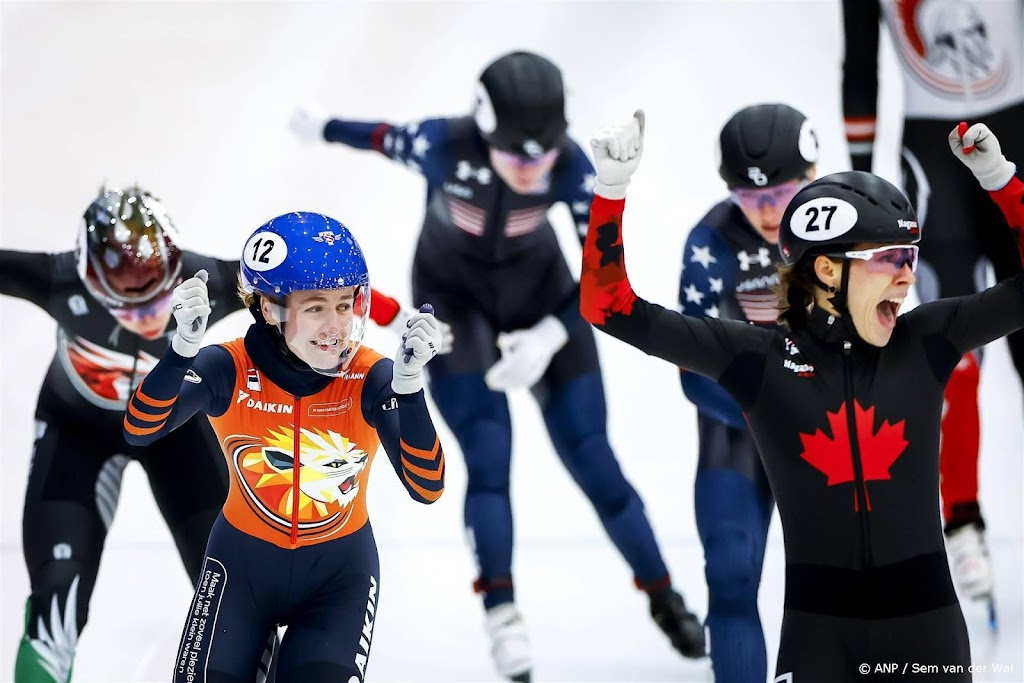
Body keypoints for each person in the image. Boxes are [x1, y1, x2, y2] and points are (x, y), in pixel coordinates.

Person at [288, 50, 705, 680]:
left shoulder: (572, 166)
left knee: (595, 459)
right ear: (483, 130)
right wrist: (323, 127)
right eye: (516, 156)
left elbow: (604, 280)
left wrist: (552, 333)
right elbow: (380, 136)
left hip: (545, 298)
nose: (532, 169)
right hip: (454, 309)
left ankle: (663, 594)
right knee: (488, 455)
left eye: (544, 156)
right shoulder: (440, 144)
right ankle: (502, 613)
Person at [581, 111, 1022, 680]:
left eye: (910, 257)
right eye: (889, 259)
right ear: (829, 272)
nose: (907, 277)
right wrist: (611, 191)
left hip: (926, 634)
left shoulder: (929, 340)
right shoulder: (757, 359)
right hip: (818, 639)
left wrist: (1000, 180)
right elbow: (608, 306)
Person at [122, 211, 446, 682]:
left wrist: (410, 391)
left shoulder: (371, 376)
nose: (335, 325)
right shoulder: (228, 367)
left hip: (338, 580)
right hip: (240, 570)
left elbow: (428, 487)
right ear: (270, 309)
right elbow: (139, 429)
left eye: (344, 305)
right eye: (315, 308)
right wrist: (179, 353)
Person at [0, 186, 244, 683]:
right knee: (56, 600)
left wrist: (387, 314)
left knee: (235, 596)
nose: (146, 316)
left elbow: (303, 291)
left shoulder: (204, 281)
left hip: (175, 434)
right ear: (89, 278)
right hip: (78, 434)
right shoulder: (59, 278)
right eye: (127, 304)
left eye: (157, 296)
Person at [841, 0, 1024, 602]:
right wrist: (861, 183)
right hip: (932, 154)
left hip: (1016, 130)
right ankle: (963, 520)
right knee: (954, 350)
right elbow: (861, 66)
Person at [678, 103, 817, 682]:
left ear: (812, 176)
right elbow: (693, 373)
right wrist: (775, 412)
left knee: (856, 583)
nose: (765, 210)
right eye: (747, 195)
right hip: (740, 425)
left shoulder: (848, 226)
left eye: (780, 193)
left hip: (827, 427)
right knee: (730, 575)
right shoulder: (711, 241)